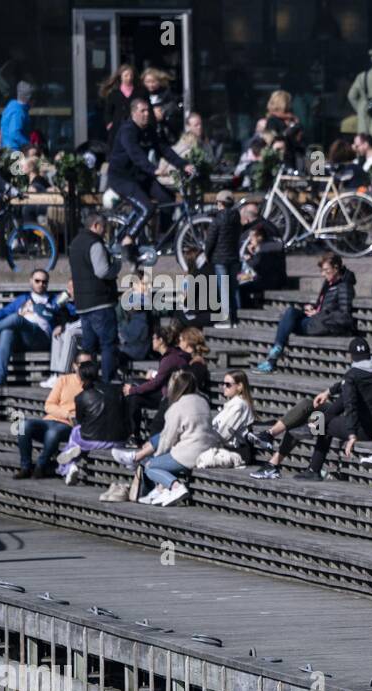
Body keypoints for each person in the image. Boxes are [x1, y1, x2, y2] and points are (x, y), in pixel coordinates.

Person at [247, 338, 372, 481]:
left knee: (324, 422)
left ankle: (312, 468)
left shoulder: (353, 375)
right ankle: (270, 437)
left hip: (363, 429)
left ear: (350, 356)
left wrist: (351, 435)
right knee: (308, 405)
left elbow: (350, 405)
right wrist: (328, 391)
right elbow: (346, 389)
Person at [106, 98, 194, 254]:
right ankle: (128, 239)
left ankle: (164, 239)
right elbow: (135, 154)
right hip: (121, 178)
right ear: (134, 113)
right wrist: (153, 170)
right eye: (143, 111)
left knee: (167, 198)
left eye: (148, 110)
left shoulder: (149, 130)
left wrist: (183, 164)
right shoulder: (127, 130)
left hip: (141, 177)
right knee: (147, 208)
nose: (147, 114)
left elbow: (164, 149)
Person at [0, 269, 72, 388]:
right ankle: (0, 379)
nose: (40, 284)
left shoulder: (54, 300)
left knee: (16, 318)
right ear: (31, 281)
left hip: (41, 338)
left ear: (47, 283)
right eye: (37, 281)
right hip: (21, 340)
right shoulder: (22, 299)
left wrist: (62, 320)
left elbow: (71, 313)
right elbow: (4, 311)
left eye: (44, 282)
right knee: (7, 331)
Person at [255, 252, 356, 373]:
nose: (323, 274)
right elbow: (325, 305)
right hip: (318, 319)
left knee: (287, 323)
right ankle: (276, 352)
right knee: (291, 312)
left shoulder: (344, 286)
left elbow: (345, 316)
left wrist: (319, 314)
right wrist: (314, 309)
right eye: (322, 271)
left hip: (325, 325)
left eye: (326, 270)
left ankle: (273, 358)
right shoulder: (329, 283)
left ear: (336, 268)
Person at [133, 371, 211, 507]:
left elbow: (167, 439)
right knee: (160, 459)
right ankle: (160, 490)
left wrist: (156, 457)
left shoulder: (176, 407)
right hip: (206, 450)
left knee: (150, 466)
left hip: (189, 454)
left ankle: (176, 487)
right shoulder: (203, 401)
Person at [67, 211, 122, 382]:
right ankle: (107, 382)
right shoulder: (95, 243)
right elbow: (102, 271)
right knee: (108, 345)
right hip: (100, 303)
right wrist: (117, 265)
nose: (105, 232)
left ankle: (87, 381)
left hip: (83, 304)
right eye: (103, 227)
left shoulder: (75, 244)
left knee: (89, 347)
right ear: (95, 226)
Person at [58, 359, 130, 487]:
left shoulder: (81, 397)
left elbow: (80, 421)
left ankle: (69, 466)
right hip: (119, 439)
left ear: (80, 377)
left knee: (75, 431)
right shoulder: (116, 390)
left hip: (92, 440)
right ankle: (72, 457)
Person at [15, 353, 88, 479]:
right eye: (84, 364)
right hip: (51, 419)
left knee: (53, 433)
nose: (87, 368)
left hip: (70, 425)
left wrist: (72, 417)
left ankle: (40, 466)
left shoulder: (92, 385)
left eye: (90, 364)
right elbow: (49, 405)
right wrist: (66, 413)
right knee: (23, 426)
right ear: (75, 366)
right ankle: (25, 466)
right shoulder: (63, 380)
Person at [122, 321, 190, 438]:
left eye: (154, 338)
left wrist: (133, 390)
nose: (152, 341)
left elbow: (156, 383)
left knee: (133, 396)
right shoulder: (171, 356)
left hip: (169, 397)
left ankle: (134, 435)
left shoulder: (170, 359)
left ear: (161, 341)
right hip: (166, 392)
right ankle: (134, 434)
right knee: (133, 388)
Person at [197, 190, 242, 327]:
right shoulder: (236, 218)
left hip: (220, 259)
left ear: (220, 204)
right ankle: (238, 317)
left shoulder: (217, 220)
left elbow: (210, 240)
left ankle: (226, 318)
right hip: (234, 257)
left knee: (223, 288)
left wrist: (207, 254)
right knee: (234, 288)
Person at [101, 64, 146, 151]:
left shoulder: (140, 92)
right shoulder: (113, 93)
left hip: (135, 126)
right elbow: (108, 111)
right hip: (117, 127)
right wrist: (109, 125)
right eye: (126, 75)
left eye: (131, 75)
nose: (129, 78)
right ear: (120, 76)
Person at [0, 81, 33, 151]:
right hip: (14, 151)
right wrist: (29, 145)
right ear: (29, 99)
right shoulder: (18, 112)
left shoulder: (12, 106)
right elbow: (14, 133)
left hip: (7, 148)